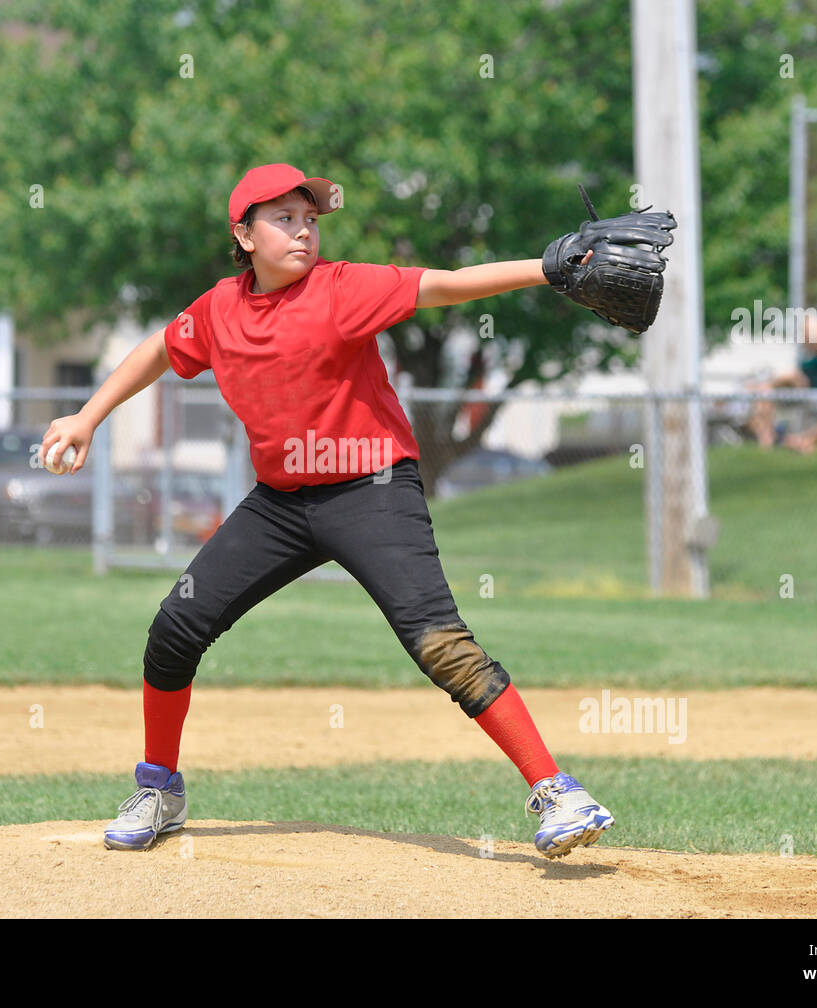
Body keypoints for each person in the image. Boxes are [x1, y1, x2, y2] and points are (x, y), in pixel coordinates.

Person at [41, 163, 615, 860]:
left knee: (440, 643)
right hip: (281, 503)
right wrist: (88, 416)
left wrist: (550, 268)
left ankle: (557, 790)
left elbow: (446, 285)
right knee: (176, 626)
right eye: (283, 218)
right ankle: (159, 788)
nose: (303, 230)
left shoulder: (343, 288)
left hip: (371, 489)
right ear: (243, 235)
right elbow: (162, 347)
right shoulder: (220, 308)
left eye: (309, 218)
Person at [745, 315, 817, 449]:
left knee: (775, 384)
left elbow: (805, 378)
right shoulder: (804, 354)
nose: (806, 336)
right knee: (766, 393)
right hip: (794, 391)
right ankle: (768, 436)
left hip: (812, 393)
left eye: (810, 332)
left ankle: (769, 437)